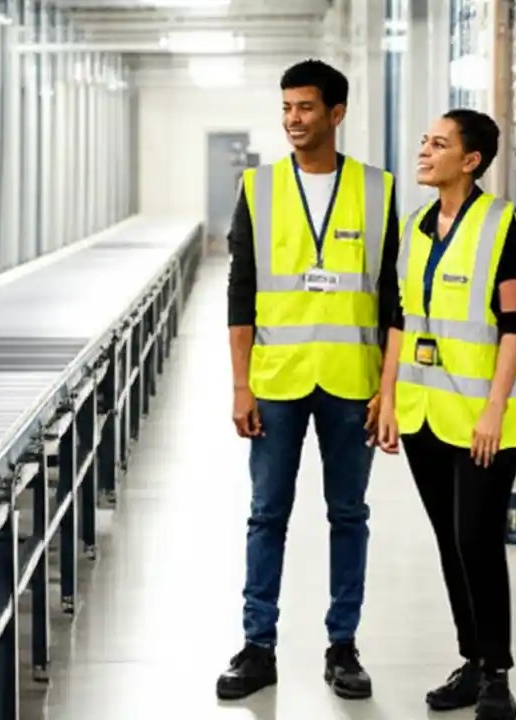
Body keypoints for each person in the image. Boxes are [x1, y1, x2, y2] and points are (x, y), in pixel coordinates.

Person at [217, 58, 400, 702]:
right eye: (287, 108)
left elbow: (392, 299)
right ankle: (257, 646)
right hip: (277, 380)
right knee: (267, 514)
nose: (293, 119)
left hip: (352, 383)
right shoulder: (258, 187)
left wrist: (388, 390)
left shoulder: (377, 189)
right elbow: (241, 291)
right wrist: (240, 385)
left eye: (306, 108)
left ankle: (343, 646)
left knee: (348, 514)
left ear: (336, 113)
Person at [373, 108, 516, 720]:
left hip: (483, 420)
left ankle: (497, 674)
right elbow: (400, 319)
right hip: (425, 414)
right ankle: (471, 661)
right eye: (425, 141)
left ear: (470, 161)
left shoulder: (502, 227)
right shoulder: (414, 227)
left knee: (477, 539)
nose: (424, 151)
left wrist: (494, 411)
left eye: (438, 144)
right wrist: (388, 397)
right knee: (450, 541)